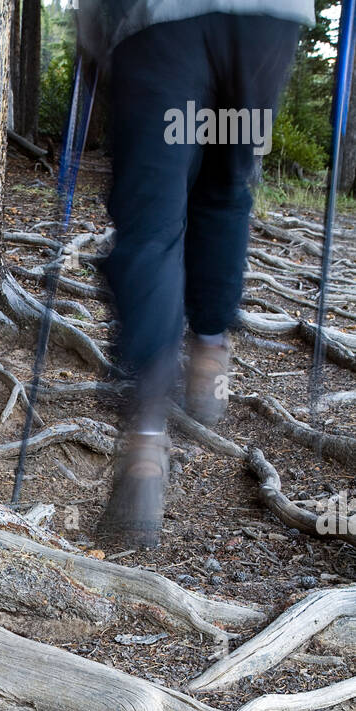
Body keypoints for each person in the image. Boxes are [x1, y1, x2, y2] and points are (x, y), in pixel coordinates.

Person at [77, 0, 315, 546]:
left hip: (161, 20)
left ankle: (145, 444)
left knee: (151, 223)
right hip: (266, 25)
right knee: (225, 192)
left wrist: (92, 32)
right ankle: (209, 355)